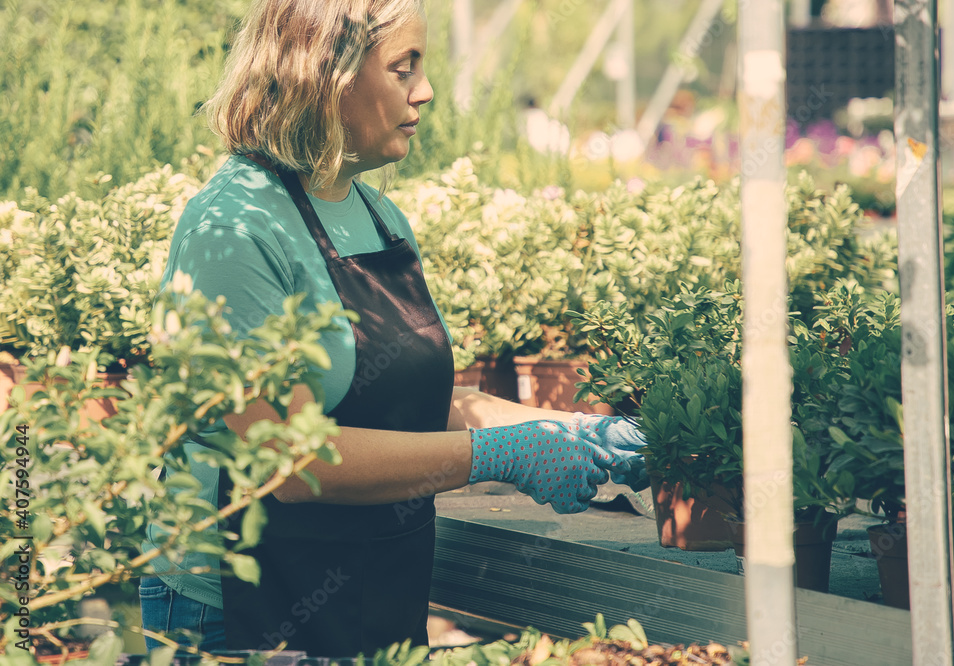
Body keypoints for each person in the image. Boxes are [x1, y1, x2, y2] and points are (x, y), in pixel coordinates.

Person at [139, 0, 647, 658]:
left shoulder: (378, 217)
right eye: (403, 68)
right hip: (237, 608)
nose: (425, 91)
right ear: (325, 77)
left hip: (377, 589)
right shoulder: (233, 229)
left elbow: (416, 408)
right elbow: (287, 463)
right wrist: (498, 457)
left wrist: (574, 432)